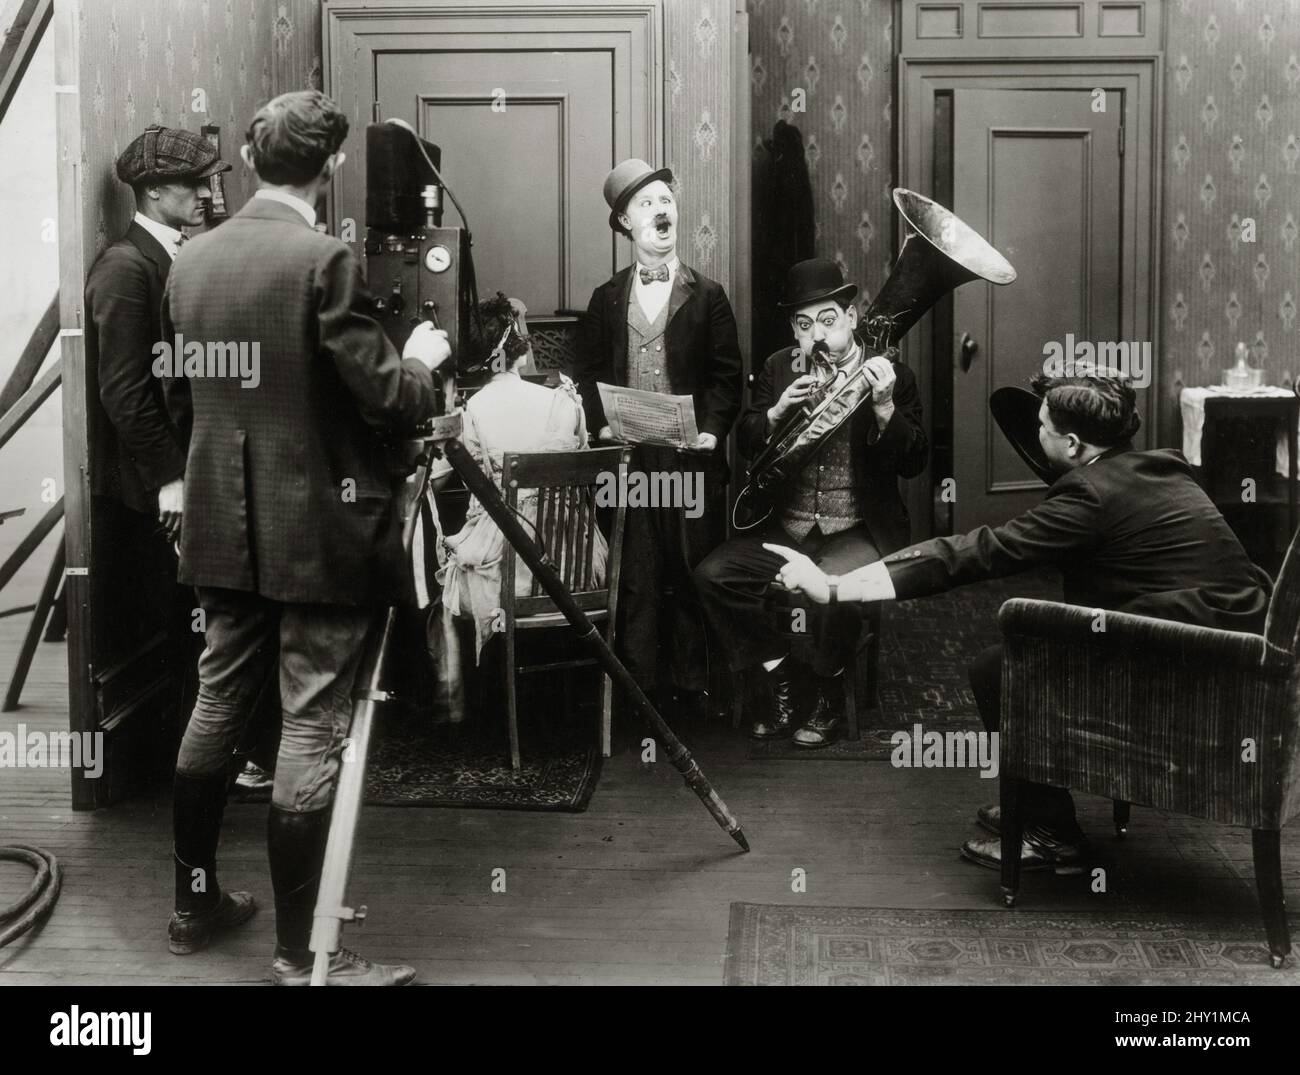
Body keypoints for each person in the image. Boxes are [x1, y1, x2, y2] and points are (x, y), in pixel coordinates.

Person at [160, 90, 449, 985]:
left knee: (215, 709)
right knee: (311, 726)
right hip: (318, 534)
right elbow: (382, 395)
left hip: (219, 530)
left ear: (249, 163)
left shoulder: (190, 263)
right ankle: (301, 952)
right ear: (329, 171)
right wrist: (425, 368)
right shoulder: (325, 260)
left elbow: (183, 402)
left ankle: (194, 901)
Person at [767, 370, 1272, 863]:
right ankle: (1034, 802)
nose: (1036, 433)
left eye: (1043, 427)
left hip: (1200, 670)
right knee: (1036, 646)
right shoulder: (1156, 467)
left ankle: (1051, 832)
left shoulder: (1089, 496)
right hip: (1234, 647)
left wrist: (833, 587)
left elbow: (972, 553)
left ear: (1073, 445)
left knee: (999, 669)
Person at [693, 259, 928, 747]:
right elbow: (747, 439)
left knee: (837, 587)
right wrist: (776, 412)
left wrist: (884, 407)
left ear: (852, 317)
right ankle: (780, 674)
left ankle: (825, 688)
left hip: (858, 530)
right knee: (714, 576)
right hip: (786, 528)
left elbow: (915, 462)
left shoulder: (891, 374)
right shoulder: (781, 367)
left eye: (827, 320)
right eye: (804, 326)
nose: (816, 334)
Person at [84, 126, 234, 788]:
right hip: (151, 492)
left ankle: (201, 766)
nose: (203, 194)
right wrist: (171, 481)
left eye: (206, 180)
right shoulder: (126, 267)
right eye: (190, 183)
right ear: (150, 191)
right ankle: (185, 776)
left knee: (197, 627)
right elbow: (123, 394)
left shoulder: (173, 256)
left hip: (181, 478)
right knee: (182, 629)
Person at [572, 159, 743, 722]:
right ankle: (640, 691)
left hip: (689, 464)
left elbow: (726, 379)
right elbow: (589, 372)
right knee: (638, 573)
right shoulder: (605, 298)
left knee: (689, 569)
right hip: (628, 465)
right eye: (645, 204)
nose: (661, 210)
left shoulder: (709, 295)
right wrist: (600, 424)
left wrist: (713, 432)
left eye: (665, 199)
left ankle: (694, 690)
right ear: (625, 223)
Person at [416, 294, 606, 723]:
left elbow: (436, 477)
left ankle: (462, 705)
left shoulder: (472, 410)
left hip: (506, 574)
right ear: (521, 351)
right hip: (568, 569)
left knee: (444, 575)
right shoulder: (565, 401)